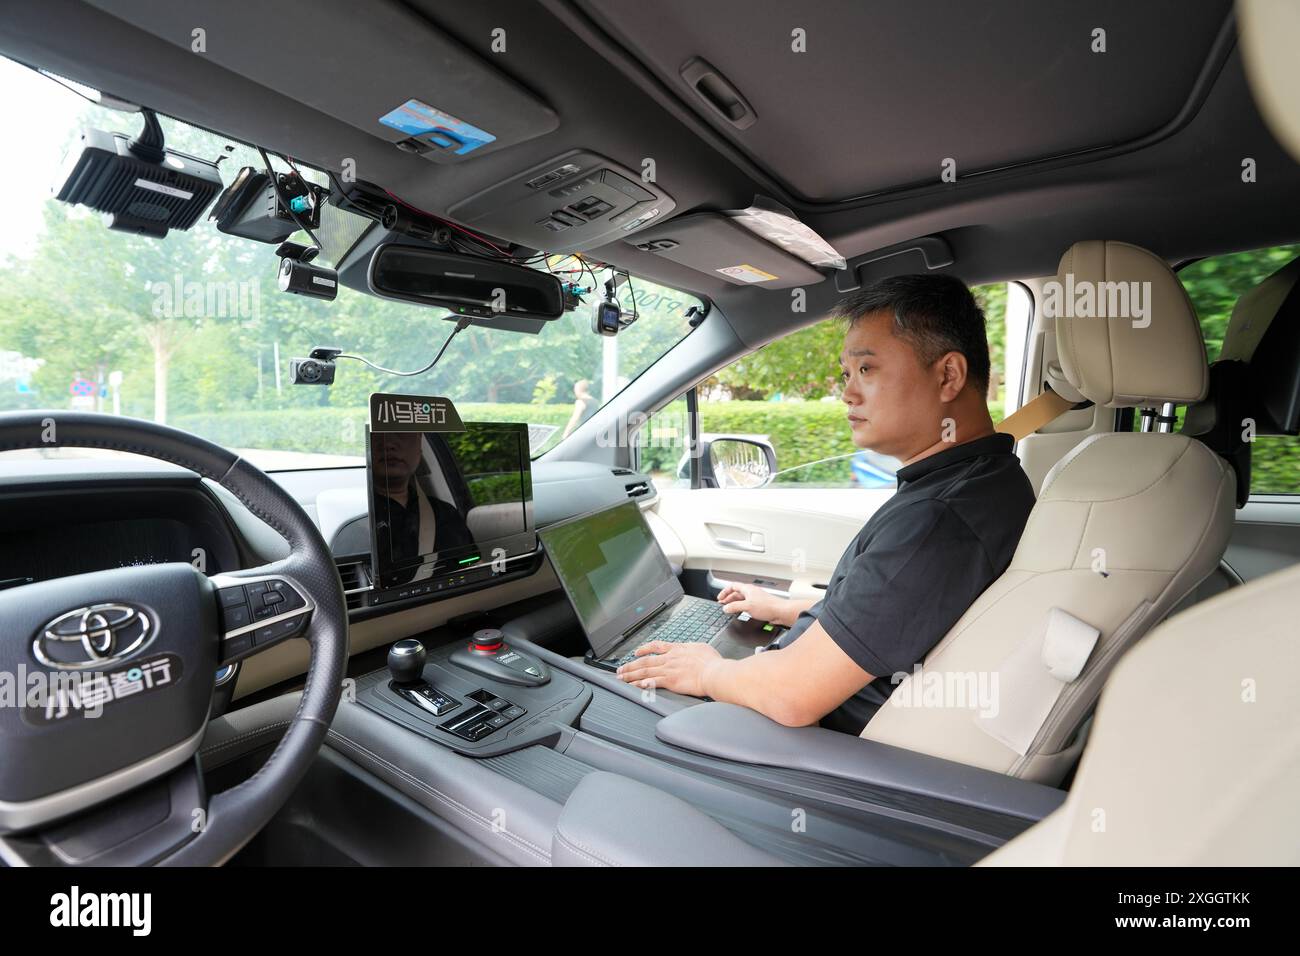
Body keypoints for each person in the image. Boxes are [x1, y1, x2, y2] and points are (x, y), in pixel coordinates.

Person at [616, 275, 1036, 734]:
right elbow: (898, 618)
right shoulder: (984, 481)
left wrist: (706, 671)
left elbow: (792, 696)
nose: (847, 393)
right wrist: (785, 609)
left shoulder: (938, 520)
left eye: (867, 370)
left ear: (948, 375)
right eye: (846, 373)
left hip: (810, 748)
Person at [371, 432, 473, 583]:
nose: (389, 444)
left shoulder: (445, 513)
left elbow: (474, 568)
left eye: (402, 434)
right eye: (378, 435)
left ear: (419, 445)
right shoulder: (358, 520)